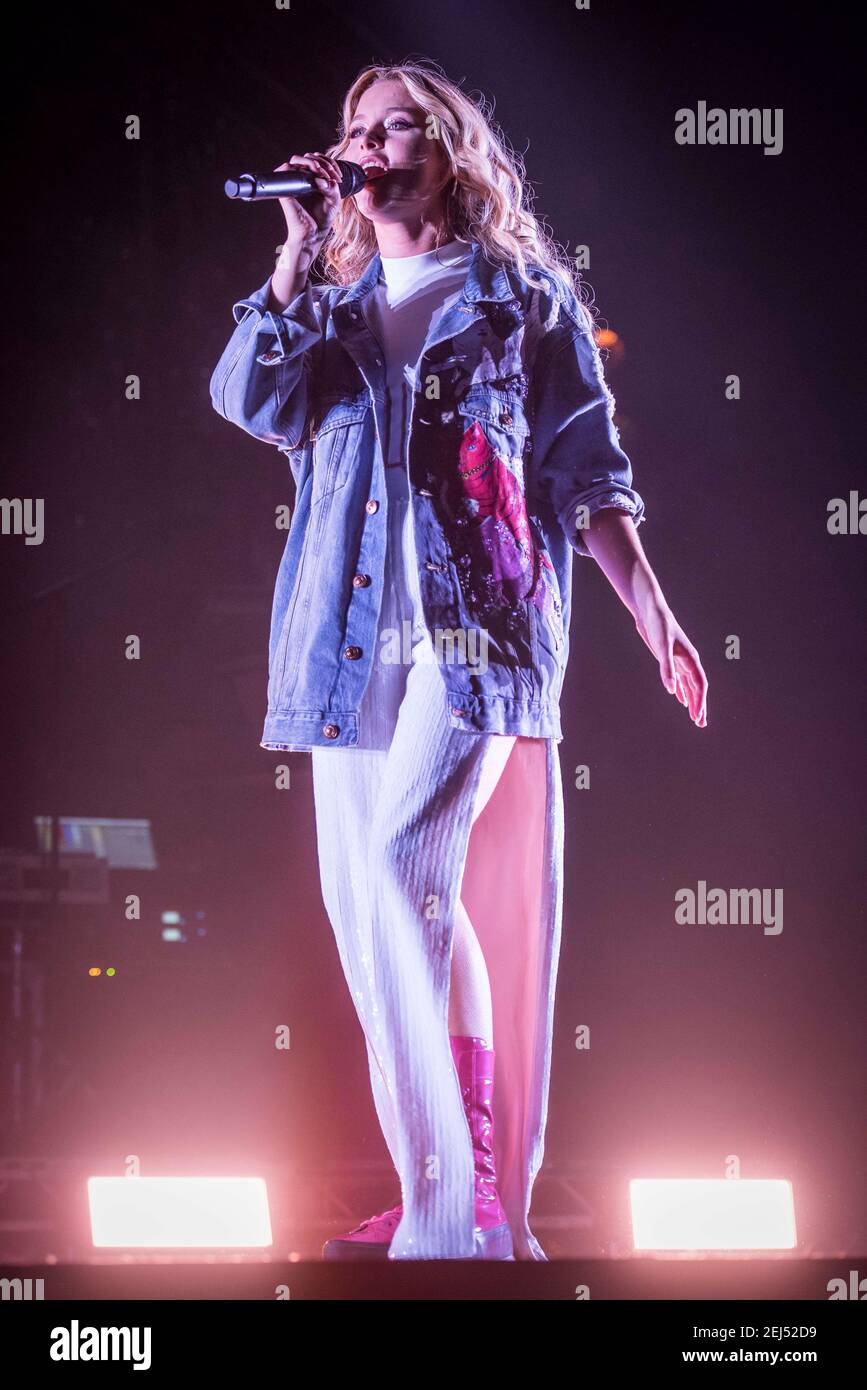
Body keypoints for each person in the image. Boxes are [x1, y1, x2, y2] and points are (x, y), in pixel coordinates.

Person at [210, 59, 708, 1261]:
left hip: (477, 628)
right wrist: (288, 257)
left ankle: (453, 1220)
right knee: (374, 918)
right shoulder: (322, 310)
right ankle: (459, 1175)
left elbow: (588, 473)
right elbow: (244, 399)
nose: (371, 147)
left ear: (449, 152)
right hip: (342, 646)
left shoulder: (522, 297)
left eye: (397, 128)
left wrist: (653, 613)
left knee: (403, 863)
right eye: (355, 132)